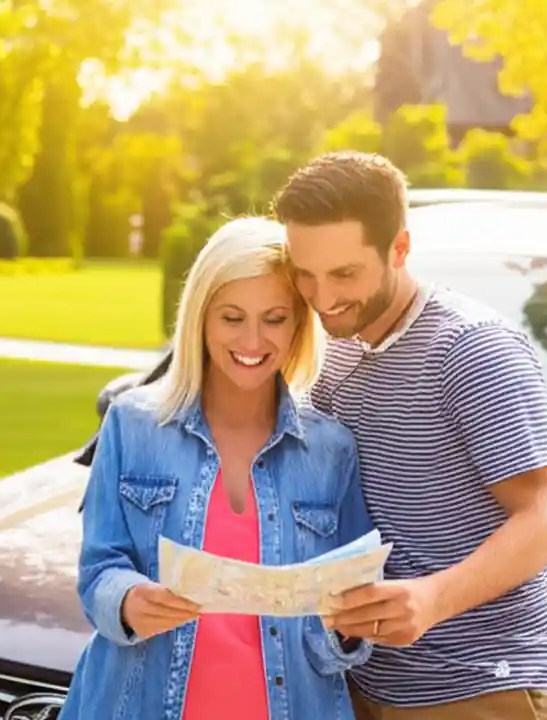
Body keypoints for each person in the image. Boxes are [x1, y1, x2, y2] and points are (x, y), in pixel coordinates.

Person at [273, 151, 547, 720]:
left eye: (344, 274)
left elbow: (545, 519)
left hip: (479, 686)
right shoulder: (326, 343)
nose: (321, 296)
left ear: (399, 250)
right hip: (360, 681)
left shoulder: (472, 351)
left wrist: (433, 599)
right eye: (304, 273)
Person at [61, 216, 376, 720]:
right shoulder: (133, 425)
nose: (253, 340)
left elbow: (340, 633)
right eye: (232, 317)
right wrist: (128, 600)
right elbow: (99, 571)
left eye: (274, 318)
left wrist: (347, 623)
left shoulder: (331, 451)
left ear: (298, 324)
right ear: (201, 319)